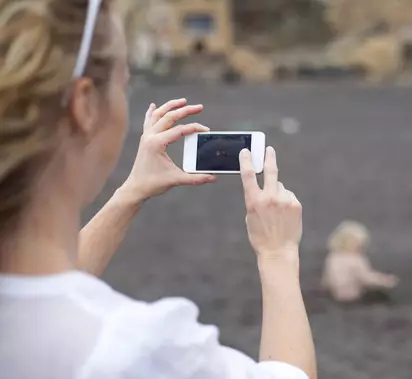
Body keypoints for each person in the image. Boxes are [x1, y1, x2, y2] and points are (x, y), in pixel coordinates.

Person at [0, 1, 316, 378]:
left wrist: (131, 194)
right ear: (84, 105)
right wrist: (277, 254)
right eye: (123, 84)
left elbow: (39, 294)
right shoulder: (135, 351)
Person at [321, 221, 399, 302]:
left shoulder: (332, 257)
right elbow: (367, 278)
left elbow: (326, 281)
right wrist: (386, 281)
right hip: (352, 297)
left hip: (334, 295)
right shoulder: (355, 259)